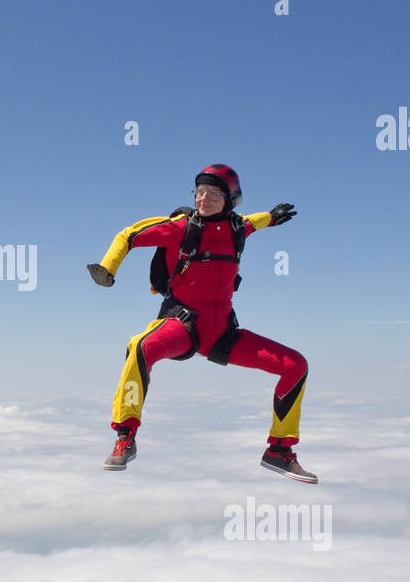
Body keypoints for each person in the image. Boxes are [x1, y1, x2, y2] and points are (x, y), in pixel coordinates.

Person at [87, 164, 315, 483]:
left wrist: (273, 217)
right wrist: (108, 269)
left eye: (213, 192)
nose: (203, 198)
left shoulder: (237, 228)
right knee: (140, 346)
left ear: (230, 199)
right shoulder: (180, 227)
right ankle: (126, 436)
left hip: (222, 333)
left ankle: (279, 451)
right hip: (183, 324)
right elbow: (129, 235)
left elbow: (254, 222)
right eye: (199, 191)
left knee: (295, 365)